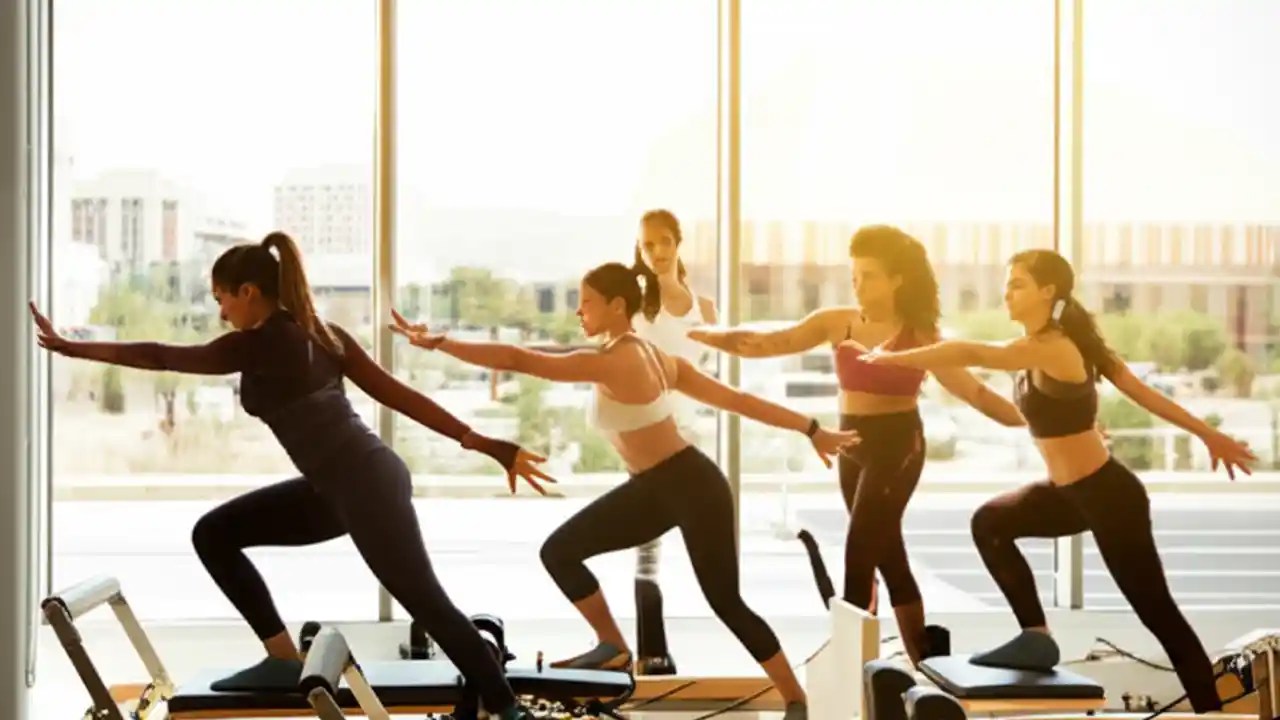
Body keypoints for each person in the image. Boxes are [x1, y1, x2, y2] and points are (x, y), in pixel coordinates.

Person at [30, 232, 552, 720]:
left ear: (249, 291)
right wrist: (481, 443)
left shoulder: (260, 344)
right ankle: (282, 657)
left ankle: (510, 710)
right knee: (215, 534)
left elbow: (161, 356)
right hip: (342, 486)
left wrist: (74, 347)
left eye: (222, 298)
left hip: (363, 484)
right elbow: (399, 395)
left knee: (425, 600)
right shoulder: (322, 334)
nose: (220, 310)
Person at [390, 261, 861, 720]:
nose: (579, 312)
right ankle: (615, 646)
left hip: (688, 484)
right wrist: (811, 427)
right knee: (561, 553)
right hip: (667, 485)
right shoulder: (651, 355)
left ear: (617, 305)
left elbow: (517, 359)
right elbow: (736, 400)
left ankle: (794, 699)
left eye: (587, 302)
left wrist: (441, 344)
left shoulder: (618, 360)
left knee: (722, 600)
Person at [861, 248, 1255, 714]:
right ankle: (1036, 636)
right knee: (989, 523)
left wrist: (893, 360)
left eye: (1018, 284)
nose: (1007, 293)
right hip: (1066, 493)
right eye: (1007, 284)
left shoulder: (1055, 345)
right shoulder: (1043, 345)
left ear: (1049, 291)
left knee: (1159, 615)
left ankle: (1210, 711)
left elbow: (1140, 393)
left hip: (1109, 495)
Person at [688, 224, 1025, 668]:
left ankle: (850, 670)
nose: (858, 285)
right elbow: (771, 342)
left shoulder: (921, 334)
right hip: (852, 446)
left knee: (859, 550)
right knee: (888, 554)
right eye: (855, 276)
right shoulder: (837, 321)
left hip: (898, 444)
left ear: (896, 279)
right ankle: (924, 662)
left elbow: (976, 393)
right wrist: (709, 336)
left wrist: (1041, 423)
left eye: (869, 275)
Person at [628, 209, 719, 676]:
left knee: (702, 545)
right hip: (647, 436)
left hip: (689, 439)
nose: (657, 253)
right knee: (648, 545)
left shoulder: (706, 309)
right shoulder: (635, 308)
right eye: (648, 246)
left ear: (678, 243)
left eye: (664, 242)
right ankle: (651, 651)